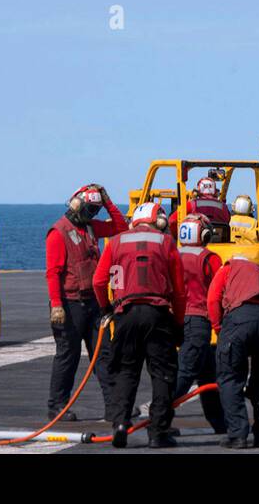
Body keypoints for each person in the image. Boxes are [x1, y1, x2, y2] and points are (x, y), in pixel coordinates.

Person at [93, 202, 187, 449]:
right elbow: (179, 291)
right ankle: (158, 432)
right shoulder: (166, 243)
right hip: (158, 315)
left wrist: (106, 309)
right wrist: (178, 324)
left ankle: (120, 424)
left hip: (126, 314)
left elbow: (98, 281)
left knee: (125, 371)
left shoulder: (116, 242)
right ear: (158, 220)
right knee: (163, 374)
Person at [44, 183, 128, 422]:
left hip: (92, 303)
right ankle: (57, 406)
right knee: (67, 356)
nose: (91, 215)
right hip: (69, 306)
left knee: (104, 355)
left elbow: (120, 227)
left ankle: (115, 406)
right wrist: (56, 305)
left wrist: (107, 200)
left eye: (94, 210)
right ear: (76, 204)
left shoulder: (90, 228)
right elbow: (53, 272)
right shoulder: (58, 232)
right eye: (89, 209)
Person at [208, 253, 259, 449]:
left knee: (229, 378)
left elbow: (213, 298)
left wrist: (218, 329)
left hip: (239, 318)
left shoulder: (228, 268)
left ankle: (238, 434)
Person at [172, 213, 227, 434]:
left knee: (207, 375)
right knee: (185, 373)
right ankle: (160, 417)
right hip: (199, 321)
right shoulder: (210, 258)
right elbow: (220, 289)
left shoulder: (174, 255)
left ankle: (220, 423)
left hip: (177, 318)